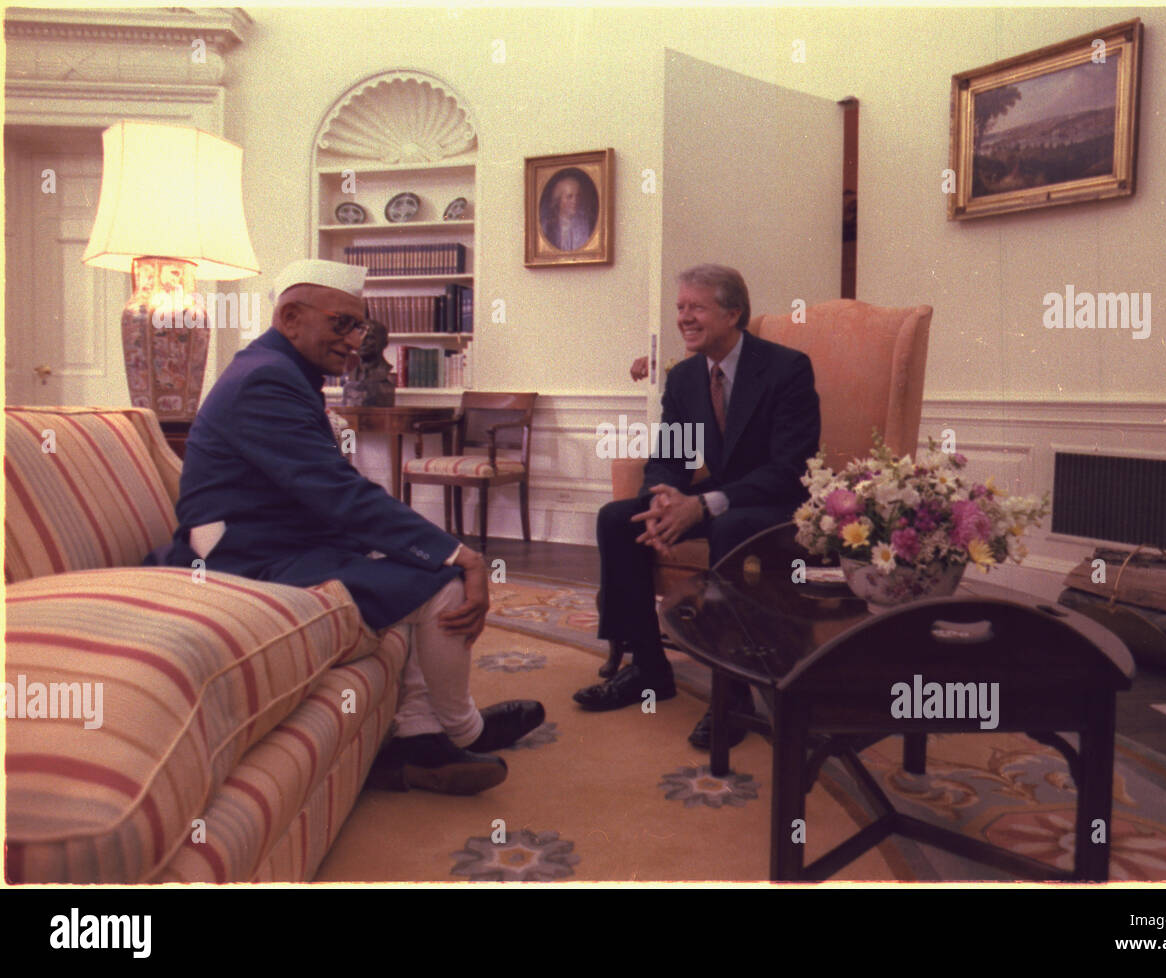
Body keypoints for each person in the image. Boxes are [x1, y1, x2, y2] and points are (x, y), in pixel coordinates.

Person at [162, 259, 543, 795]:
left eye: (359, 327)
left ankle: (420, 737)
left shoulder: (279, 369)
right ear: (291, 317)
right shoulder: (266, 381)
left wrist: (423, 548)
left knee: (420, 564)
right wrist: (462, 553)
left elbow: (326, 492)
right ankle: (463, 729)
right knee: (446, 585)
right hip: (241, 559)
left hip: (275, 541)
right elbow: (337, 495)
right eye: (342, 324)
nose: (356, 341)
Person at [573, 264, 820, 749]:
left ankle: (734, 693)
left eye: (696, 308)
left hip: (774, 506)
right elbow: (669, 457)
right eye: (681, 307)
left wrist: (703, 505)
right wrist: (664, 498)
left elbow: (790, 468)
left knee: (730, 531)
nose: (684, 317)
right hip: (717, 501)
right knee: (619, 520)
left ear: (733, 313)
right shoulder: (685, 377)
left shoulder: (787, 369)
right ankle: (647, 669)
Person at [541, 173, 594, 251]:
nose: (575, 201)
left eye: (578, 196)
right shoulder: (546, 224)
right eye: (569, 196)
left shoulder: (587, 224)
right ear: (558, 200)